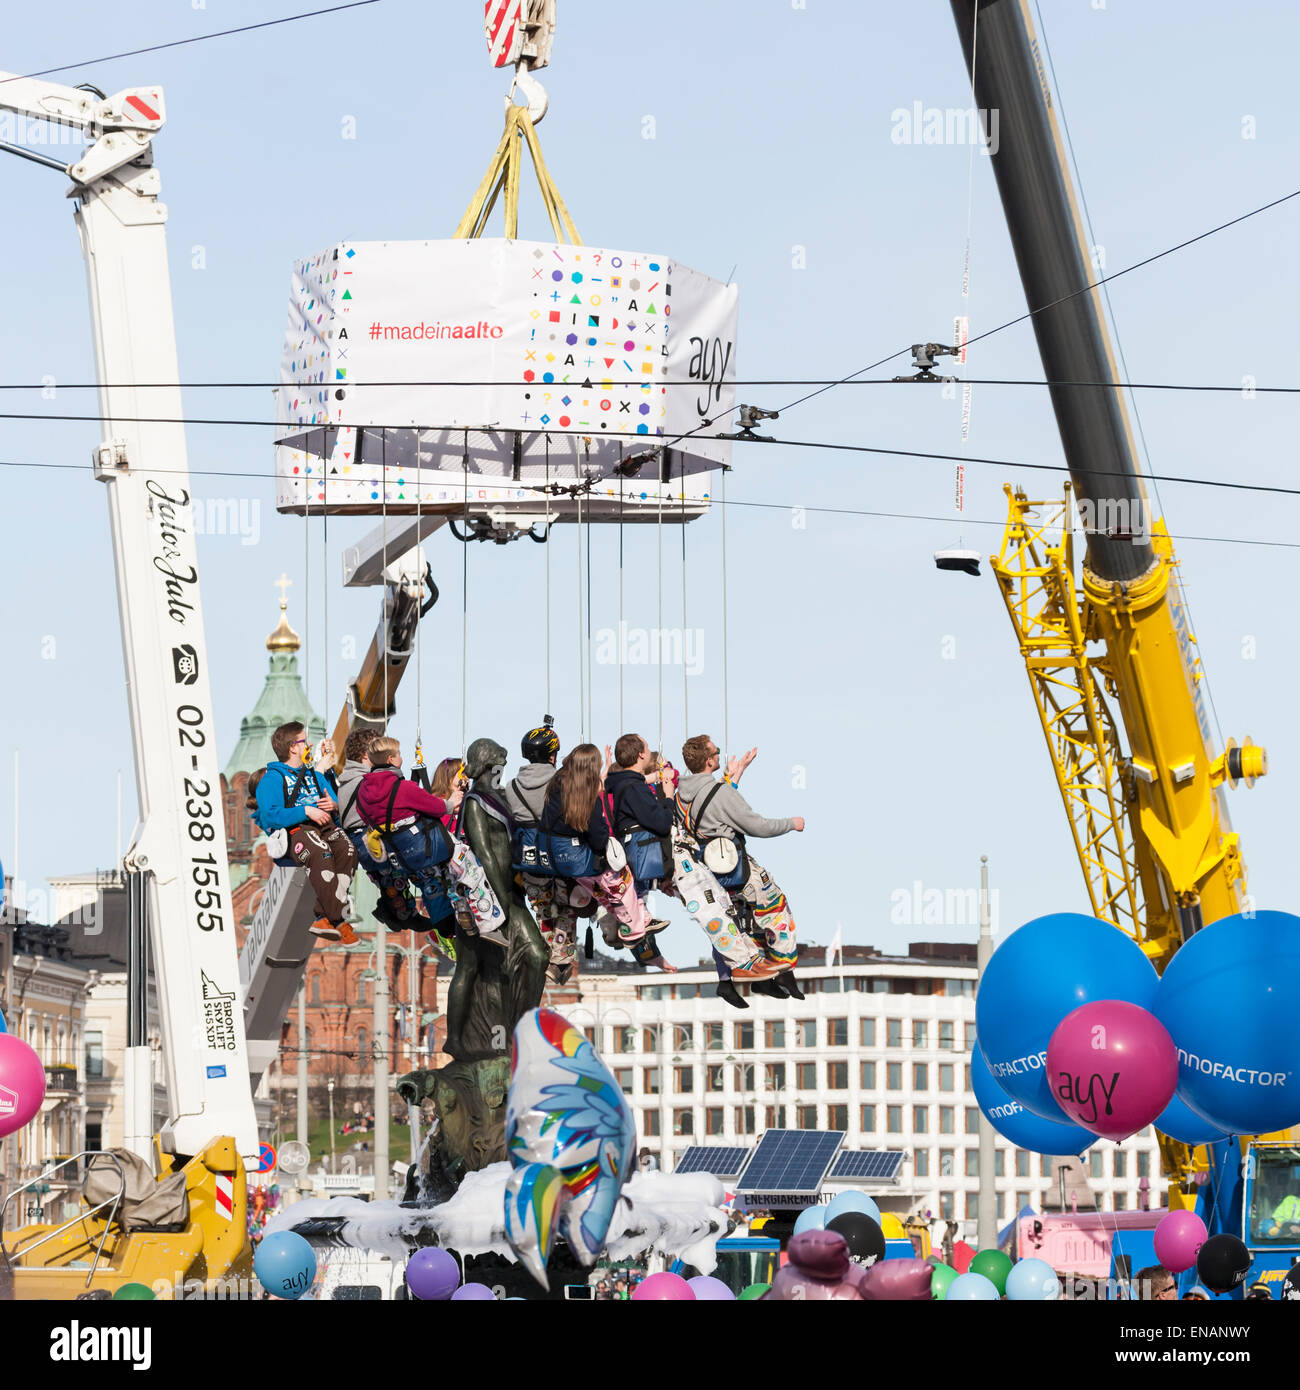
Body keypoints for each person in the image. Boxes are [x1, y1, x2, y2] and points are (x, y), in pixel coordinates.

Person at [676, 735, 804, 1000]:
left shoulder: (679, 796)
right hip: (738, 867)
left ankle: (747, 974)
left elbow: (709, 807)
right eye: (717, 751)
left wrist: (735, 776)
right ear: (710, 760)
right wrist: (791, 823)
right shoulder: (720, 792)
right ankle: (782, 968)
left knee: (735, 923)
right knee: (775, 908)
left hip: (710, 873)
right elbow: (757, 826)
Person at [354, 737, 507, 945]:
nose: (402, 757)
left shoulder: (363, 792)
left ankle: (443, 921)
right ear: (390, 759)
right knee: (470, 868)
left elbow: (364, 816)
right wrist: (451, 801)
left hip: (400, 856)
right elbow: (436, 807)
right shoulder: (403, 787)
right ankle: (488, 923)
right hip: (428, 847)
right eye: (398, 754)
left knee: (430, 883)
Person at [540, 743, 660, 947]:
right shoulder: (588, 795)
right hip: (578, 859)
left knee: (601, 889)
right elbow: (598, 838)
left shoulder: (558, 783)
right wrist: (608, 842)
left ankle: (633, 919)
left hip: (554, 857)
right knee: (623, 878)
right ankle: (634, 930)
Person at [253, 722, 360, 944]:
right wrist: (306, 810)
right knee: (320, 854)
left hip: (326, 827)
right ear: (293, 747)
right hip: (297, 830)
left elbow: (334, 803)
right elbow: (271, 816)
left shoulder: (315, 776)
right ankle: (339, 921)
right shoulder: (272, 779)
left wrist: (334, 805)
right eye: (304, 741)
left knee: (348, 851)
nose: (309, 745)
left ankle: (325, 916)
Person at [336, 728, 444, 939]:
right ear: (367, 755)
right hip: (372, 840)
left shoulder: (346, 779)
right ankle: (437, 916)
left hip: (359, 843)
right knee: (418, 868)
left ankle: (398, 910)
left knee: (391, 880)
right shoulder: (368, 782)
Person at [502, 720, 579, 984]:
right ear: (552, 754)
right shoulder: (563, 782)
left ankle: (547, 954)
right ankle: (560, 959)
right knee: (567, 909)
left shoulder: (511, 786)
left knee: (543, 910)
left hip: (530, 858)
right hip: (560, 856)